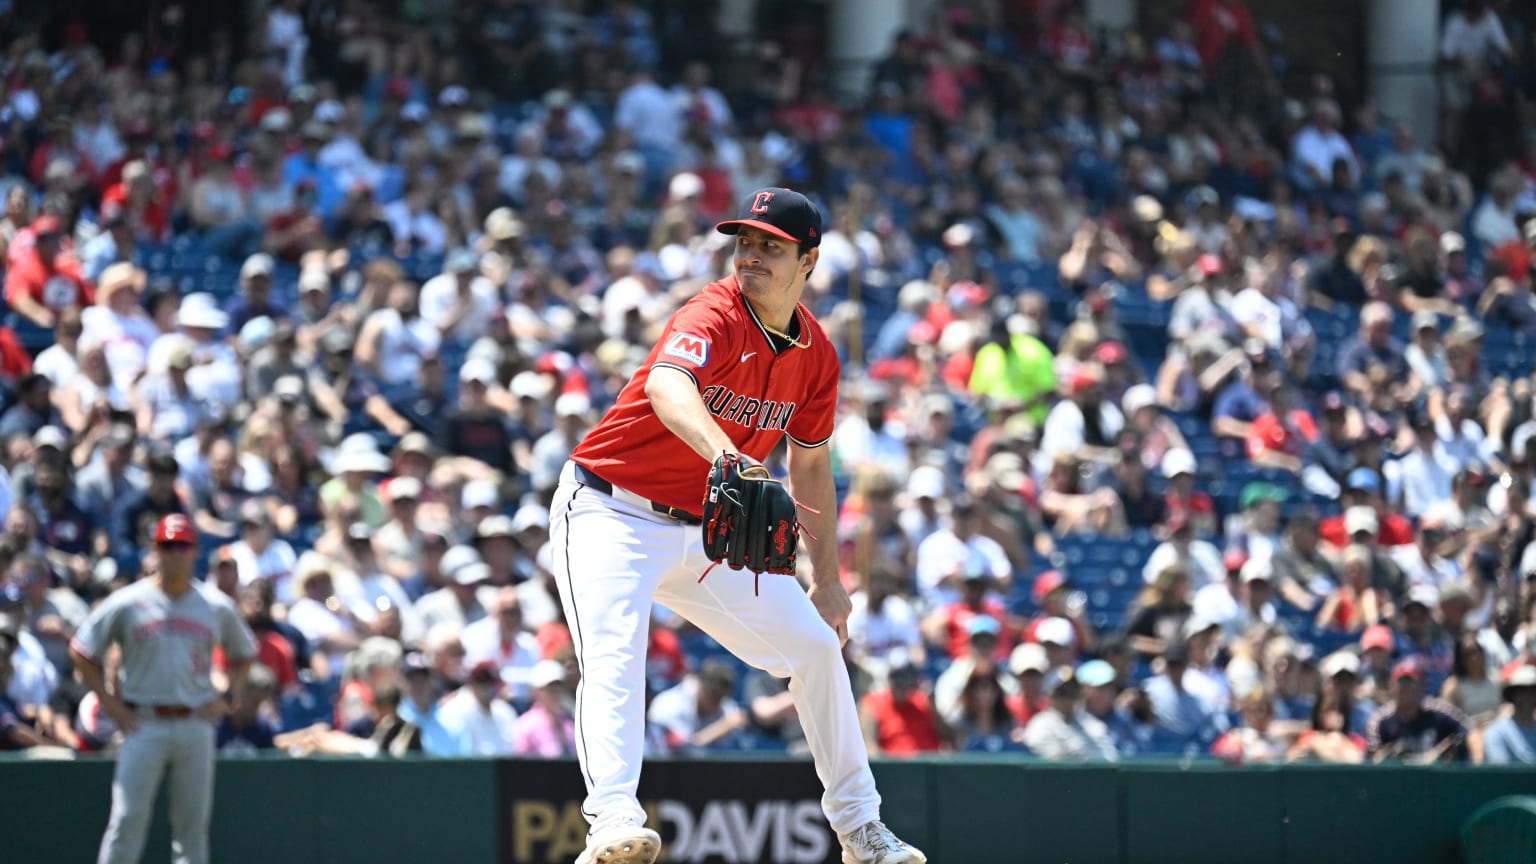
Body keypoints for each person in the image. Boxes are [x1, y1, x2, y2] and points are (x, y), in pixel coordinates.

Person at [549, 188, 926, 864]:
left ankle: (860, 829)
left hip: (705, 529)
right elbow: (669, 388)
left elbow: (811, 469)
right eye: (744, 242)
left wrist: (829, 579)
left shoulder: (817, 355)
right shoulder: (713, 312)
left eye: (770, 246)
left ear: (808, 259)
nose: (749, 255)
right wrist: (726, 452)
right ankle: (611, 823)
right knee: (613, 652)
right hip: (610, 510)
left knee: (815, 648)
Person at [68, 514, 257, 864]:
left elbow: (244, 653)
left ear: (194, 551)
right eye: (167, 545)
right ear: (155, 549)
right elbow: (82, 650)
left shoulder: (214, 604)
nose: (174, 553)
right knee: (126, 820)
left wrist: (230, 696)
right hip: (143, 722)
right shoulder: (128, 602)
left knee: (192, 829)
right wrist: (112, 706)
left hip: (195, 721)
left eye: (181, 545)